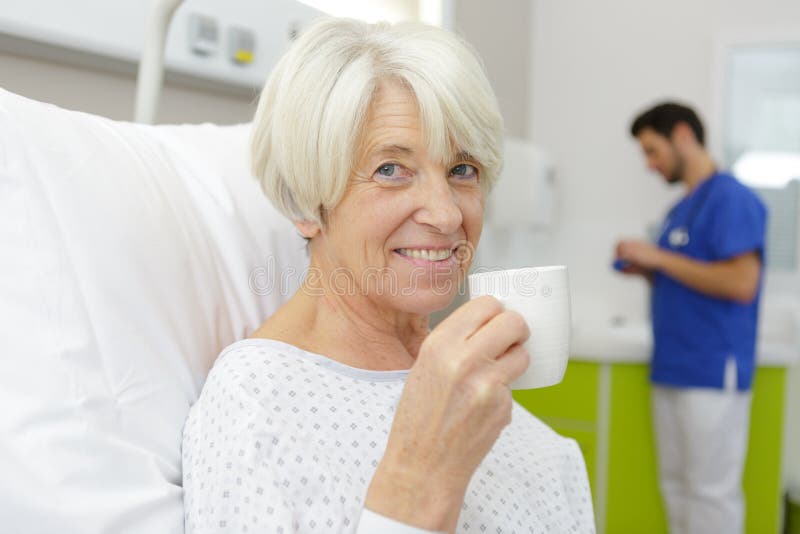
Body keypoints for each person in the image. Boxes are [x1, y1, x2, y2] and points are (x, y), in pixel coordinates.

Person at [181, 17, 594, 534]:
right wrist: (418, 485)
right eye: (391, 170)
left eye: (462, 170)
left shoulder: (529, 439)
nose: (446, 215)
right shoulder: (257, 405)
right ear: (308, 200)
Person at [614, 102, 767, 534]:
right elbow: (688, 278)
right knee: (677, 489)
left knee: (710, 495)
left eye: (652, 151)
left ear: (682, 135)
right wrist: (650, 270)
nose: (649, 164)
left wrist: (658, 257)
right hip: (674, 366)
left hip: (712, 369)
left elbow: (741, 283)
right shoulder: (679, 210)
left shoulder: (731, 198)